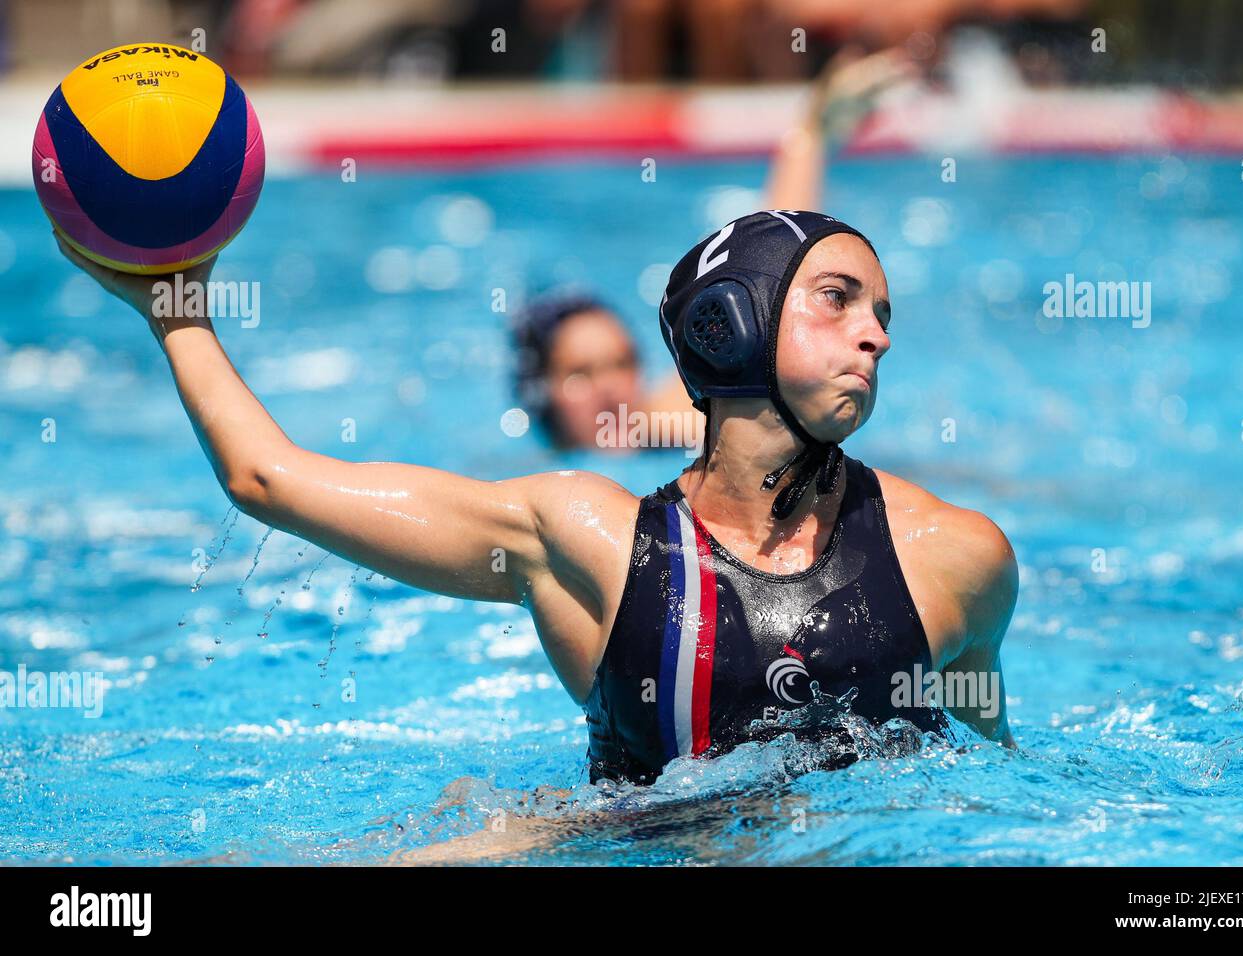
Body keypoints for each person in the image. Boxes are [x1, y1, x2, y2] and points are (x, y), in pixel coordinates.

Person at [55, 203, 1018, 788]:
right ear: (733, 324)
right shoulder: (585, 542)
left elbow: (997, 795)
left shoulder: (957, 556)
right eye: (840, 299)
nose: (877, 336)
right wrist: (172, 303)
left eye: (884, 313)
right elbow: (267, 480)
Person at [512, 47, 915, 449]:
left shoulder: (667, 431)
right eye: (580, 374)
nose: (610, 389)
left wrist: (811, 134)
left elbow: (771, 268)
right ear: (539, 392)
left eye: (622, 364)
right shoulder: (519, 487)